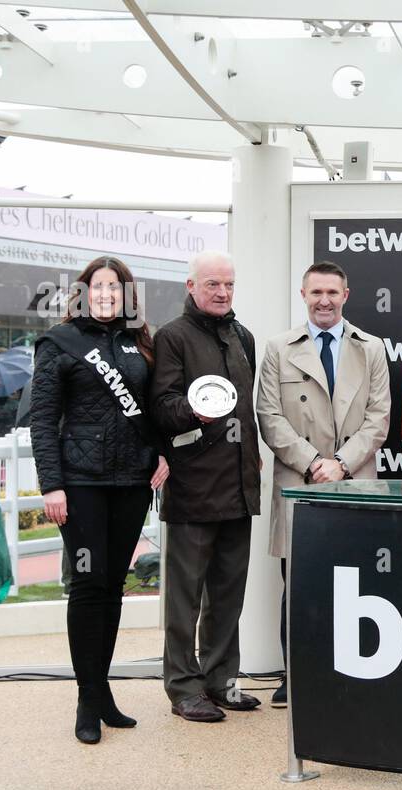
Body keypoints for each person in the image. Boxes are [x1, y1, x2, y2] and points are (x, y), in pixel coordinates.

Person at [28, 255, 170, 744]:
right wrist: (52, 484)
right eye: (99, 286)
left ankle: (103, 691)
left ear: (128, 295)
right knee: (88, 585)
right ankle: (87, 701)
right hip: (81, 482)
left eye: (116, 286)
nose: (107, 294)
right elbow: (43, 420)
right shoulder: (59, 343)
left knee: (113, 586)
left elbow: (154, 410)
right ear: (84, 292)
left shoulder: (141, 344)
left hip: (131, 482)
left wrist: (162, 453)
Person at [256, 260, 391, 707]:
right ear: (303, 295)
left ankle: (351, 672)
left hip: (354, 484)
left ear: (346, 296)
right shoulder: (278, 348)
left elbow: (378, 420)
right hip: (299, 482)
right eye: (316, 292)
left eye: (332, 292)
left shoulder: (370, 348)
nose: (325, 300)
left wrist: (342, 464)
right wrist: (315, 462)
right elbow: (269, 417)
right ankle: (293, 676)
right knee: (298, 584)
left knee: (356, 585)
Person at [151, 250, 263, 723]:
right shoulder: (172, 336)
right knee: (184, 596)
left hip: (239, 484)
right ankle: (182, 687)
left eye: (229, 285)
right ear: (191, 286)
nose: (221, 292)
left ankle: (220, 680)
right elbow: (162, 404)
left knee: (228, 593)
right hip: (193, 486)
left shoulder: (243, 337)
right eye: (212, 284)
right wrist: (193, 411)